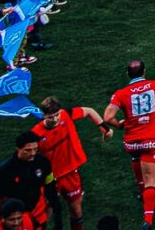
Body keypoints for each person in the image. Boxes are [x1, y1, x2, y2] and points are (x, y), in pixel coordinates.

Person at [100, 61, 155, 227]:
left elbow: (107, 117)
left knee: (136, 161)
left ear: (128, 74)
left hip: (131, 143)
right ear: (144, 72)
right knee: (150, 181)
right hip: (151, 141)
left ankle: (142, 194)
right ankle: (148, 220)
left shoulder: (121, 93)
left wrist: (120, 125)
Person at [31, 96, 107, 230]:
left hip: (70, 173)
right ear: (43, 115)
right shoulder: (36, 134)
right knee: (44, 215)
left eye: (56, 115)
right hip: (50, 179)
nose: (54, 119)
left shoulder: (66, 115)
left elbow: (89, 111)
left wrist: (103, 127)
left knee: (76, 211)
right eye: (50, 117)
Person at [0, 129, 54, 230]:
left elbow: (49, 183)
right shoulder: (5, 170)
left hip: (38, 212)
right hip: (16, 217)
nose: (33, 153)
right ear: (18, 148)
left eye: (35, 149)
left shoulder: (43, 162)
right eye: (28, 150)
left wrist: (52, 205)